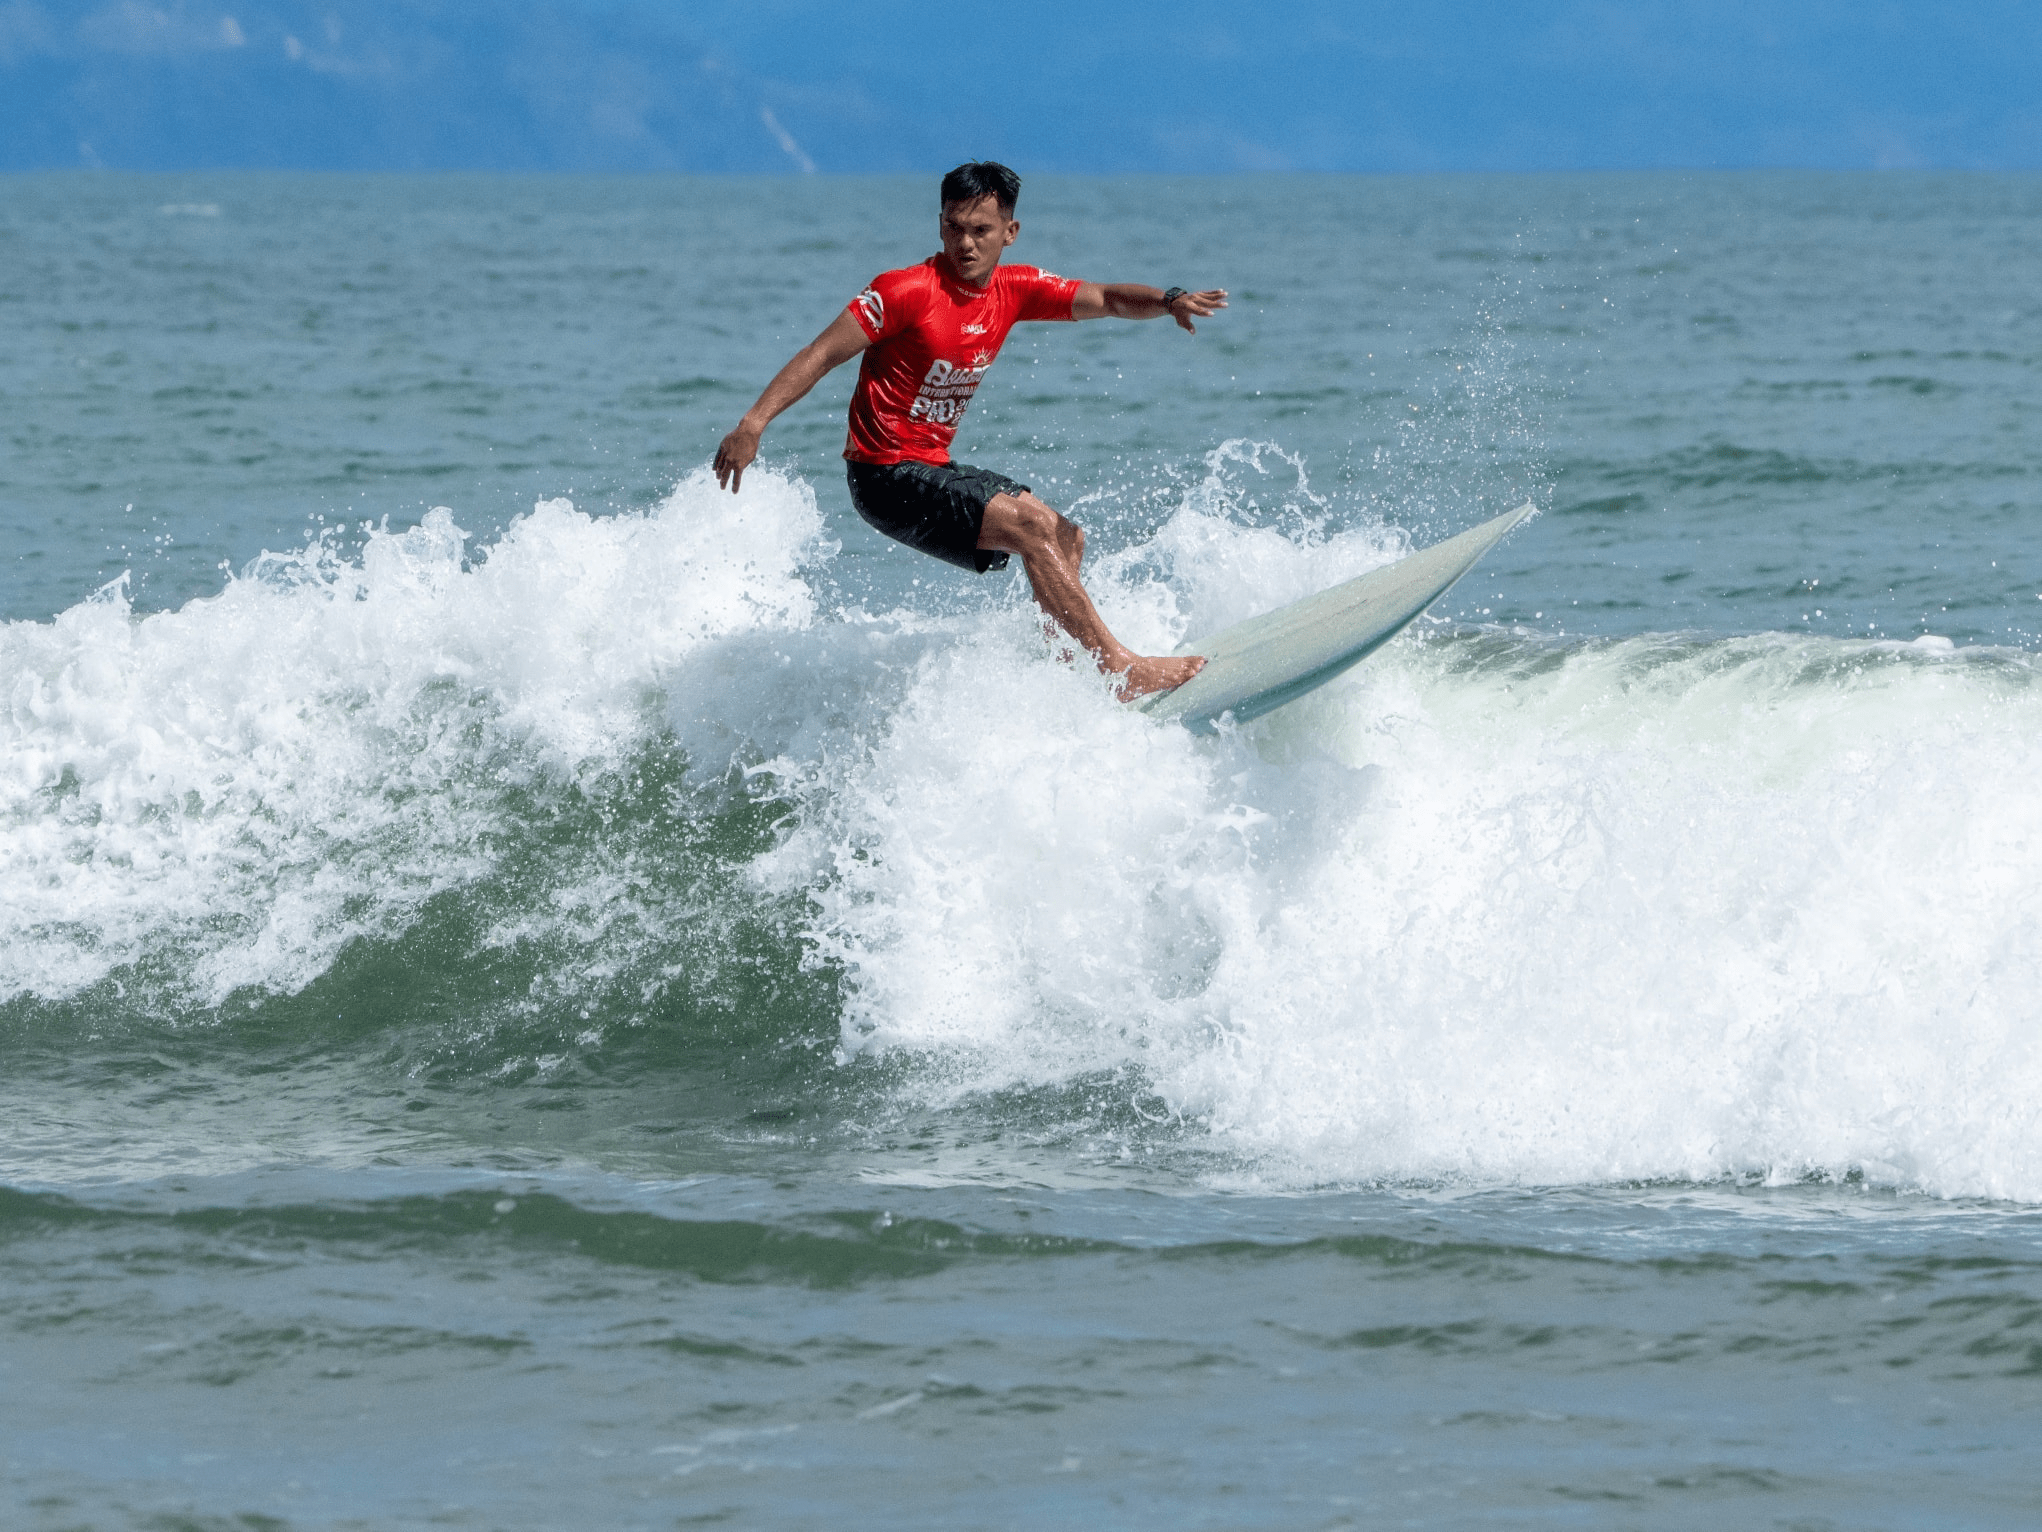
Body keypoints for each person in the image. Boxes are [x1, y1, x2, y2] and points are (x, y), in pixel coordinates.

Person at [713, 161, 1226, 699]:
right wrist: (753, 423)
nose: (966, 243)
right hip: (884, 475)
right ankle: (1119, 671)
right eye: (954, 227)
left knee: (1066, 538)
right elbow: (819, 355)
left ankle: (1066, 677)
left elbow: (1107, 298)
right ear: (939, 224)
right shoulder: (903, 291)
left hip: (930, 468)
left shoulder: (1015, 289)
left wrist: (1169, 300)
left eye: (981, 230)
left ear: (1010, 231)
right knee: (1031, 526)